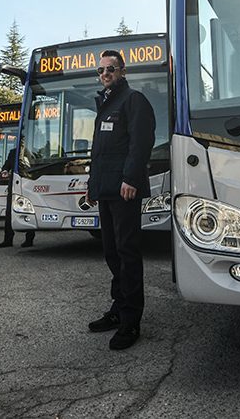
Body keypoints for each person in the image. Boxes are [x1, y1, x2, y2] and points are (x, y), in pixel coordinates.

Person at [85, 50, 155, 351]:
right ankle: (118, 308)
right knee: (111, 251)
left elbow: (141, 143)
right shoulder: (104, 104)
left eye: (110, 69)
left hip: (125, 189)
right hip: (105, 189)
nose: (105, 74)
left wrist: (130, 178)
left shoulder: (133, 100)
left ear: (122, 71)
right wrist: (92, 185)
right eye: (100, 71)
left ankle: (131, 321)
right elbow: (99, 153)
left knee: (127, 253)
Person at [0, 147, 35, 249]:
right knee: (9, 213)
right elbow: (7, 164)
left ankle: (29, 239)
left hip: (27, 184)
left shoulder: (30, 151)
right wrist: (4, 170)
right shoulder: (13, 152)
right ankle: (8, 239)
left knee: (28, 211)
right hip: (14, 186)